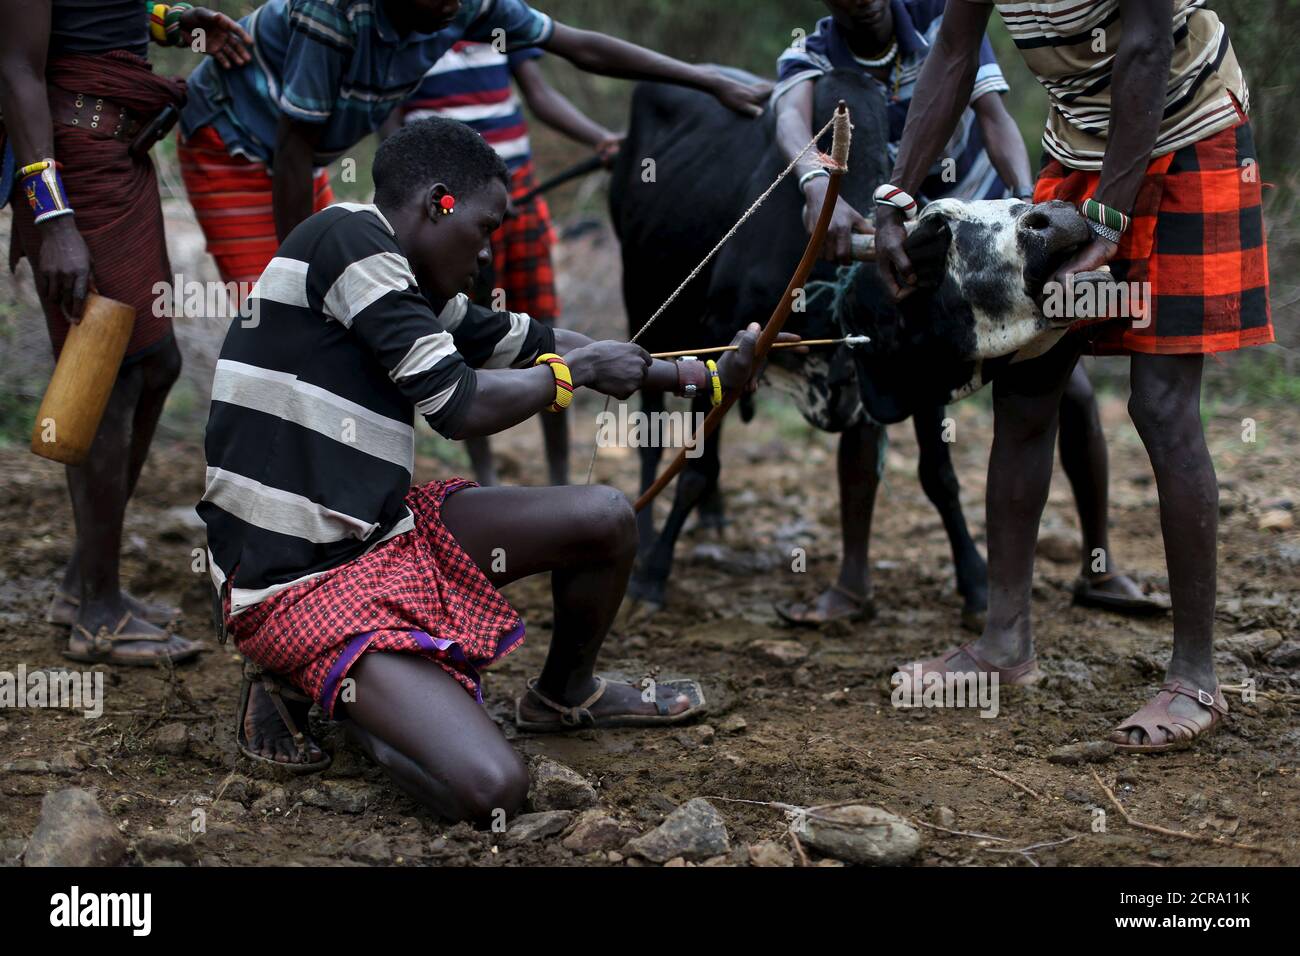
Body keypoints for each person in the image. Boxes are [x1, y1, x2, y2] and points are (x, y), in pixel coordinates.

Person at [202, 116, 786, 803]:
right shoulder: (350, 241)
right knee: (493, 788)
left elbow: (542, 342)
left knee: (606, 516)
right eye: (484, 228)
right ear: (438, 203)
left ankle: (564, 696)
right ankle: (323, 692)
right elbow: (457, 404)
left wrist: (703, 379)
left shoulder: (409, 286)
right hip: (295, 587)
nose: (486, 254)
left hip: (381, 544)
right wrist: (575, 373)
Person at [875, 0, 1272, 751]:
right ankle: (1003, 643)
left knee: (1161, 405)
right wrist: (896, 193)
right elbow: (954, 50)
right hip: (1081, 148)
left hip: (1189, 135)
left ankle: (1195, 677)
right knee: (1026, 384)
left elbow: (1146, 46)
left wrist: (1110, 225)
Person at [769, 0, 1161, 626]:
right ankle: (853, 580)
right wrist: (815, 180)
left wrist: (1024, 208)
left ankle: (1099, 565)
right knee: (868, 394)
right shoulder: (809, 56)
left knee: (1072, 391)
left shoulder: (940, 20)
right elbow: (790, 118)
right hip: (895, 247)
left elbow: (994, 116)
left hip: (981, 242)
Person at [176, 0, 767, 287]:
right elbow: (293, 147)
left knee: (330, 298)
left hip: (300, 158)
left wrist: (706, 80)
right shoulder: (331, 14)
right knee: (276, 302)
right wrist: (295, 269)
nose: (455, 8)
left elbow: (577, 44)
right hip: (233, 143)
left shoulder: (461, 4)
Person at [0, 0, 250, 665]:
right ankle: (98, 611)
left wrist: (166, 21)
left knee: (155, 364)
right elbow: (17, 66)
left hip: (119, 153)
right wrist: (54, 218)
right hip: (74, 167)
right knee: (110, 372)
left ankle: (81, 585)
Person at [390, 41, 623, 486]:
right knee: (463, 333)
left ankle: (560, 478)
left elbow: (539, 93)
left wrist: (600, 139)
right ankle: (486, 477)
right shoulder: (408, 36)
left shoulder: (497, 20)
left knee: (542, 331)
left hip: (519, 195)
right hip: (449, 211)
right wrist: (458, 205)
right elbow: (395, 134)